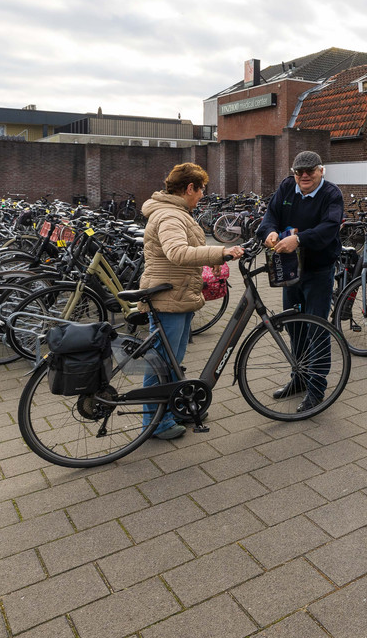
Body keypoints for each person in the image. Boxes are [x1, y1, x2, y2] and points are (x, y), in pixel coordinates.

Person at [139, 163, 245, 439]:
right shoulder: (170, 216)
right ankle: (154, 423)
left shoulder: (177, 213)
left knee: (174, 360)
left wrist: (214, 257)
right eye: (200, 190)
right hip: (168, 296)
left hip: (179, 293)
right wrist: (222, 252)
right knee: (162, 362)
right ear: (189, 188)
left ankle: (172, 410)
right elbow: (177, 252)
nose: (201, 196)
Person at [257, 150, 344, 409]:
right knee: (294, 326)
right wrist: (270, 232)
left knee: (316, 328)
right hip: (290, 269)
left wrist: (299, 239)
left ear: (321, 170)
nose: (304, 176)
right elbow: (270, 216)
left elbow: (330, 227)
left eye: (310, 171)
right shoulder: (286, 187)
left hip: (318, 270)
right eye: (299, 172)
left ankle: (317, 389)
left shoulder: (332, 194)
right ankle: (299, 377)